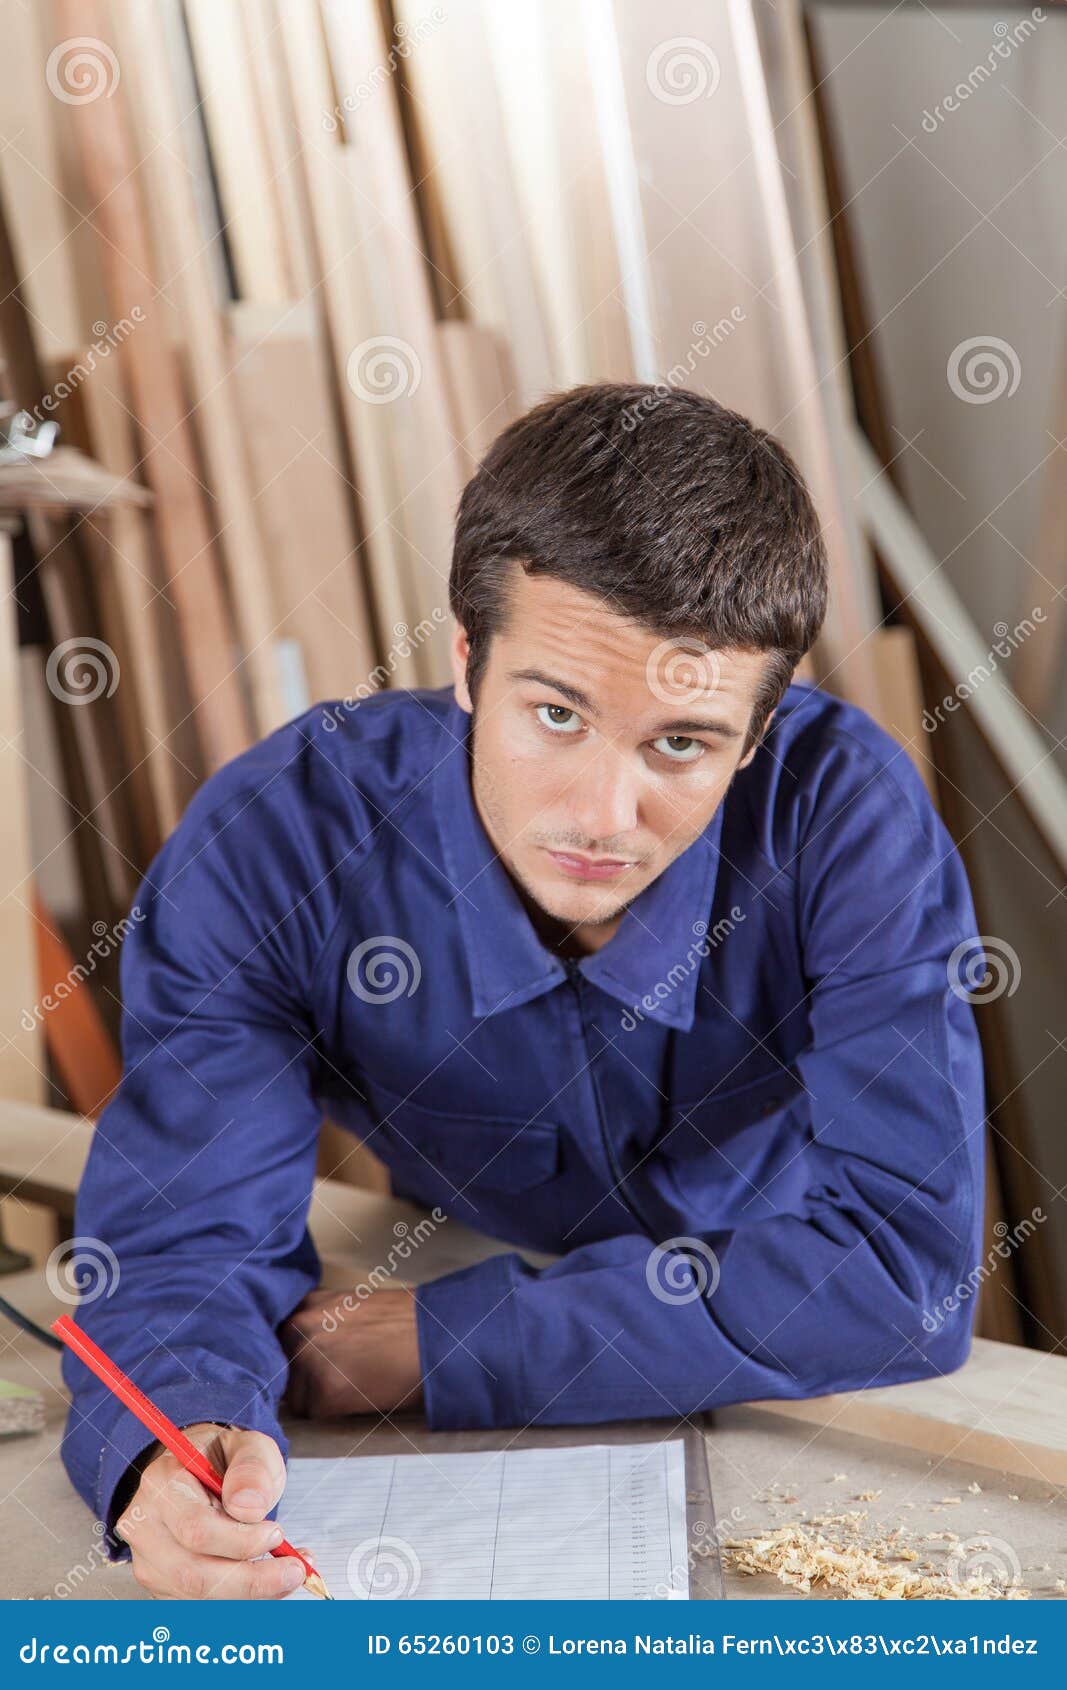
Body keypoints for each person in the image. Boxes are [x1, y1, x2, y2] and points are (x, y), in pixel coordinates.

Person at [60, 383, 984, 1599]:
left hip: (766, 1333)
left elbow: (904, 1271)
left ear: (755, 734)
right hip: (457, 1242)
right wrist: (166, 1449)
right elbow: (183, 1239)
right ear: (463, 660)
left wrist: (447, 1348)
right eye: (554, 713)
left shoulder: (841, 820)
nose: (602, 819)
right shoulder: (278, 843)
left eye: (680, 744)